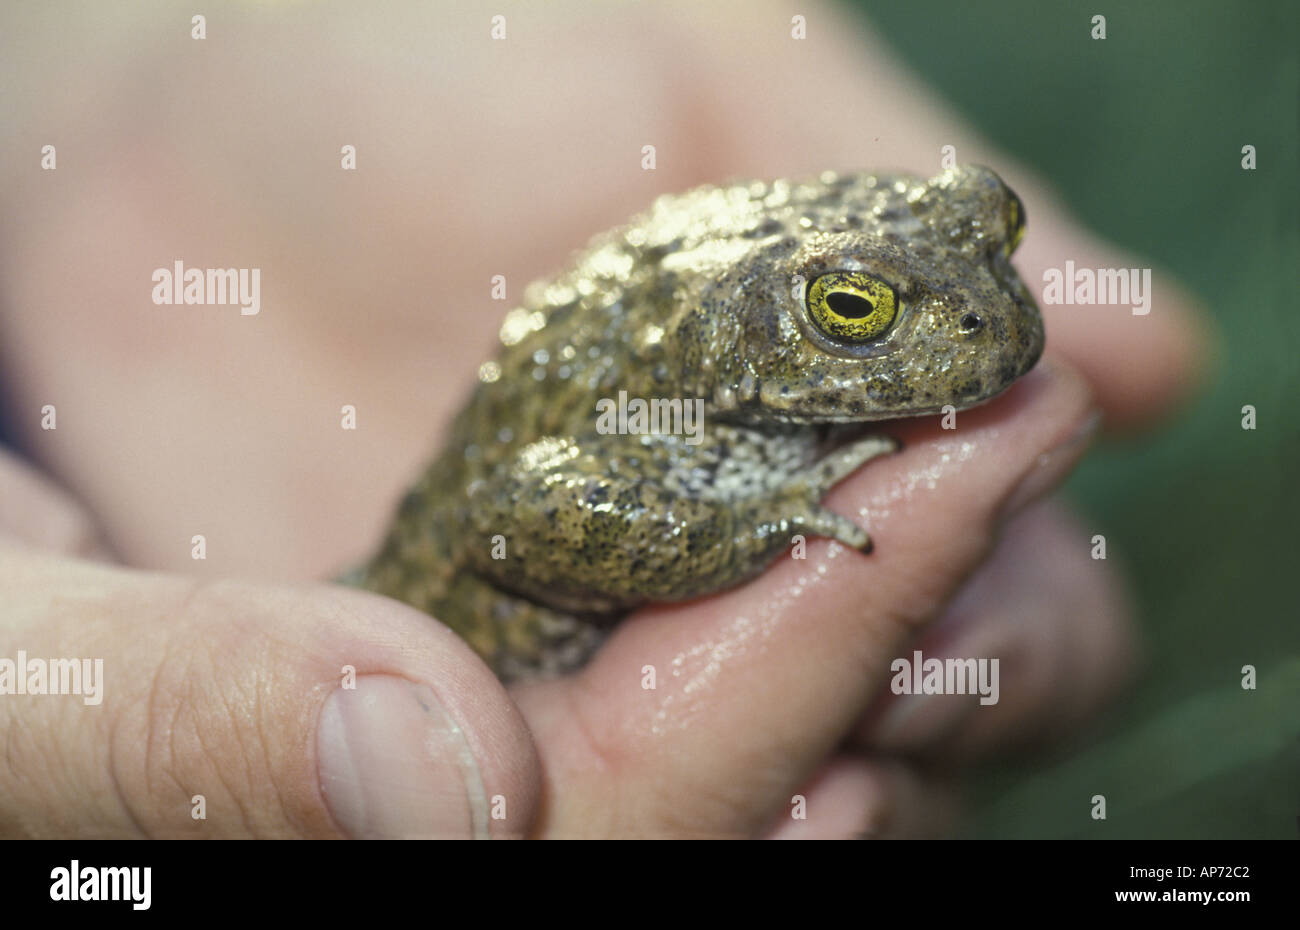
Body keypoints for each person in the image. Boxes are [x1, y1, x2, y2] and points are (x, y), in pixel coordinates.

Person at [0, 0, 1203, 837]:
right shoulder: (680, 409)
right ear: (771, 335)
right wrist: (746, 530)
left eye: (992, 240)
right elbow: (509, 515)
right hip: (459, 618)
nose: (987, 315)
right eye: (856, 310)